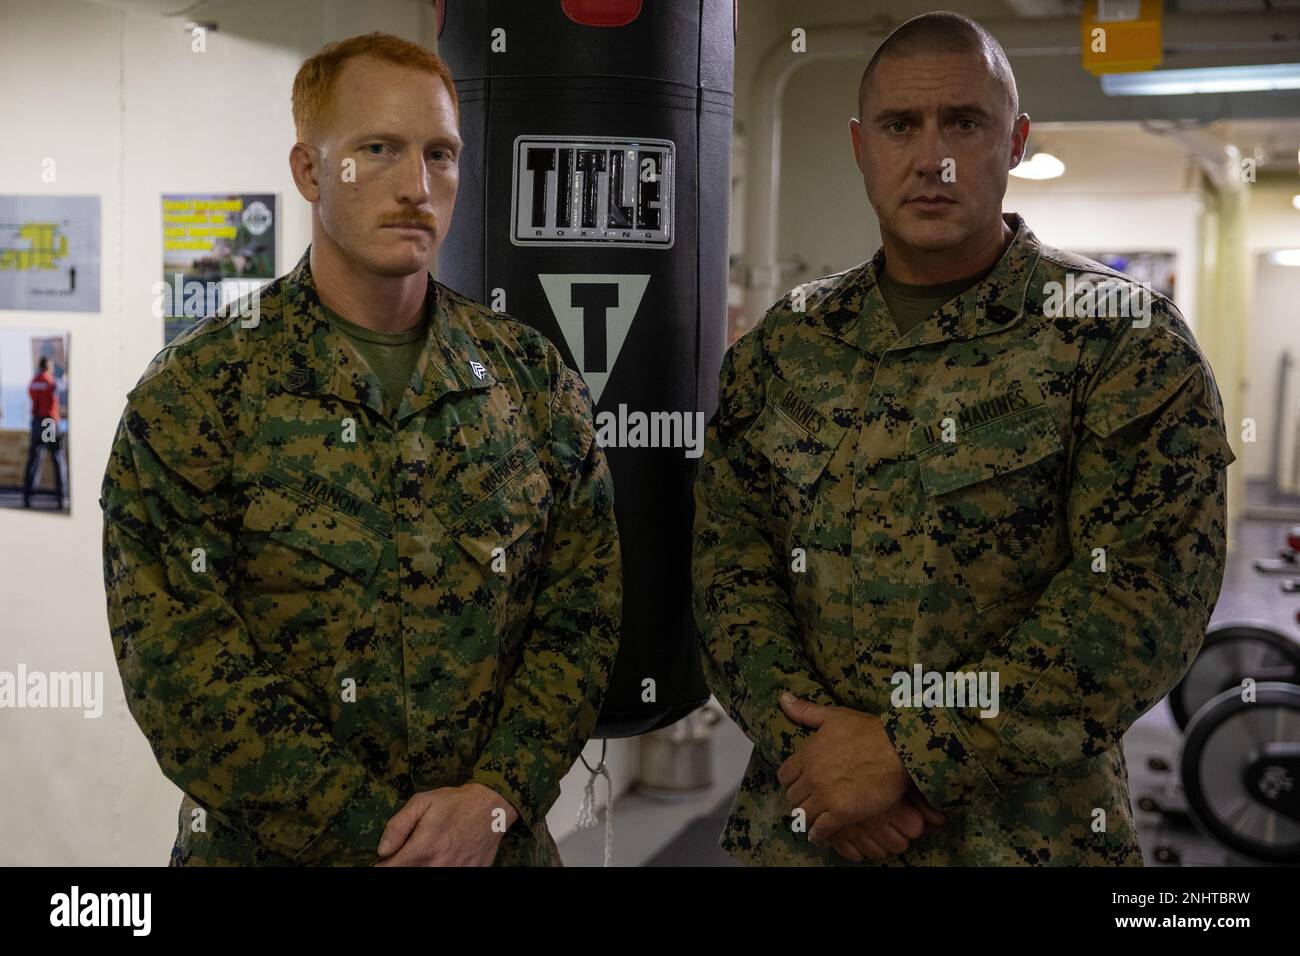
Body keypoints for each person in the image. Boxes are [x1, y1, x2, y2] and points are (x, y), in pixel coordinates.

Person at [692, 11, 1236, 866]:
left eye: (966, 123)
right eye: (901, 126)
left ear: (1015, 140)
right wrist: (820, 757)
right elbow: (729, 565)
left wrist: (907, 754)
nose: (933, 157)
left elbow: (1143, 597)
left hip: (1030, 836)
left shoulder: (1123, 341)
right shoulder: (784, 348)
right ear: (860, 145)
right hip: (811, 830)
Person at [100, 32, 621, 867]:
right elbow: (180, 668)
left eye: (440, 155)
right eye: (377, 150)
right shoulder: (198, 394)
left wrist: (493, 798)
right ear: (311, 171)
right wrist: (383, 842)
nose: (417, 187)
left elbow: (582, 618)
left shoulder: (529, 381)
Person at [24, 355, 67, 510]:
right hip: (49, 423)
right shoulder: (51, 381)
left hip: (37, 422)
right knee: (57, 458)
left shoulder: (33, 382)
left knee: (34, 460)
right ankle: (61, 498)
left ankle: (27, 497)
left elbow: (32, 394)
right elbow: (60, 387)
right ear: (49, 366)